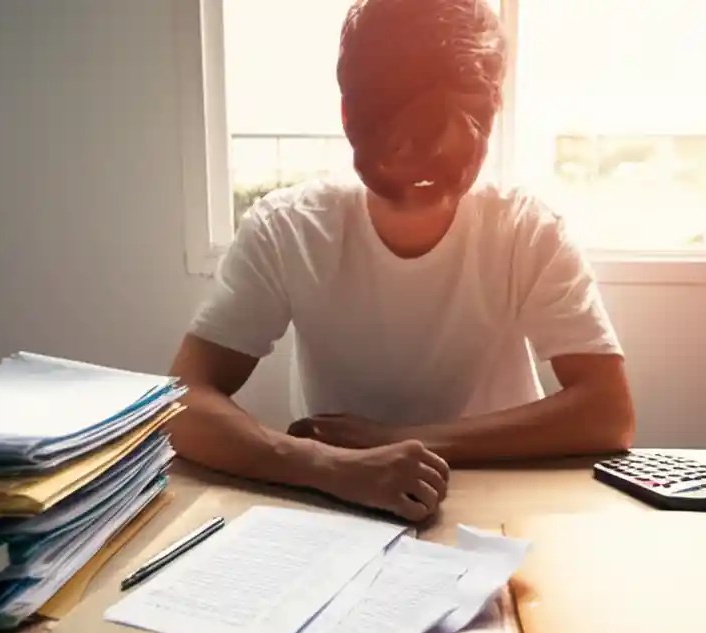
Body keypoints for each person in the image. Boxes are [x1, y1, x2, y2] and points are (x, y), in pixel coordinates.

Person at [169, 0, 633, 522]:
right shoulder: (289, 229)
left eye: (470, 125)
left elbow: (606, 412)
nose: (431, 165)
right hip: (343, 506)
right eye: (409, 135)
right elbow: (182, 401)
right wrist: (326, 465)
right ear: (351, 116)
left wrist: (395, 442)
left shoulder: (526, 229)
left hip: (502, 506)